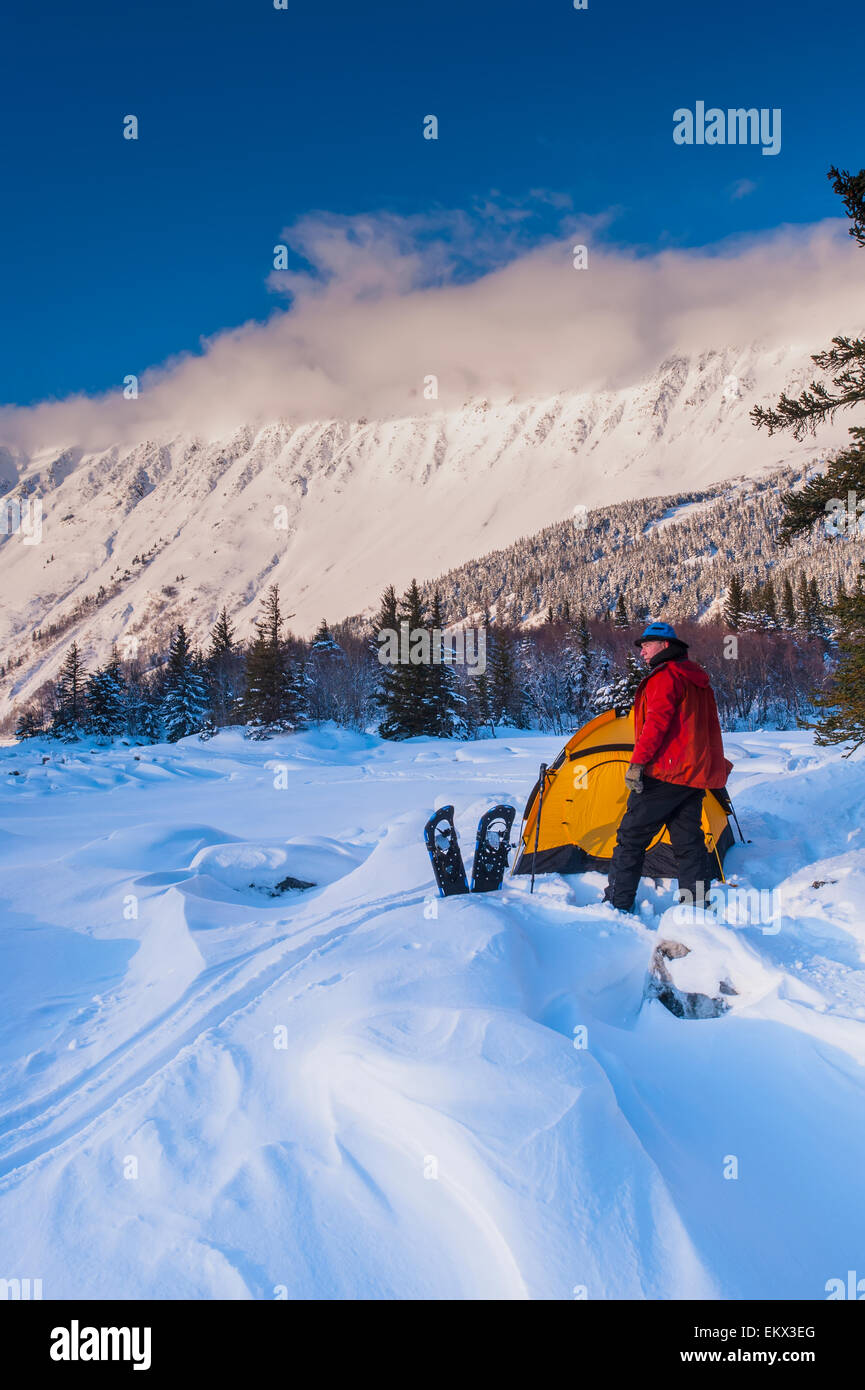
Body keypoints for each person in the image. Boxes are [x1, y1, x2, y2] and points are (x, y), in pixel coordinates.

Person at [604, 621, 731, 913]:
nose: (642, 652)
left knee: (630, 838)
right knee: (689, 843)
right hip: (693, 774)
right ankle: (696, 905)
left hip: (666, 772)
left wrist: (637, 763)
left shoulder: (667, 677)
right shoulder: (696, 678)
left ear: (665, 646)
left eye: (647, 645)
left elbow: (655, 726)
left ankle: (616, 904)